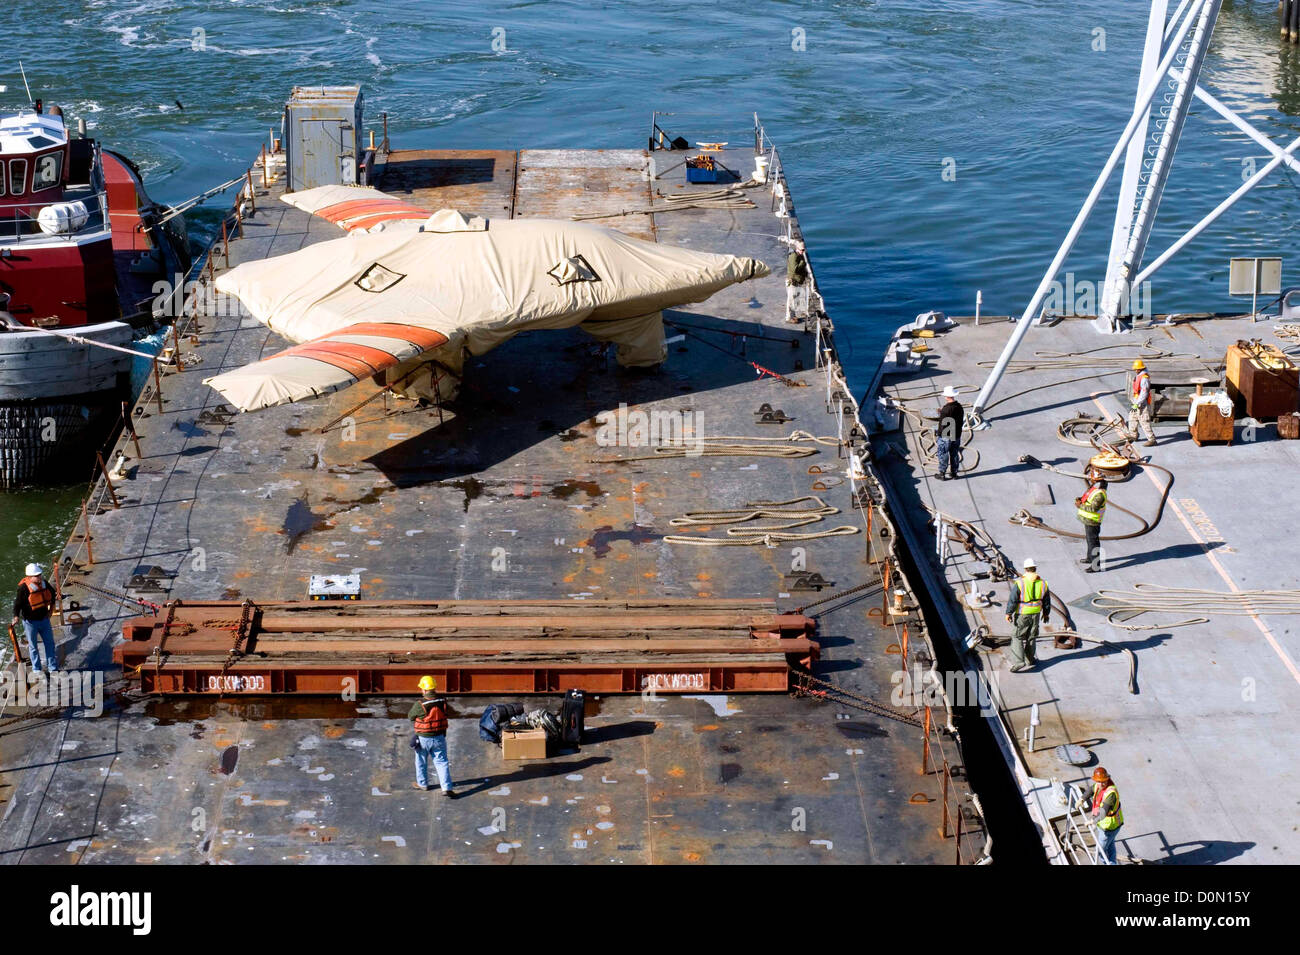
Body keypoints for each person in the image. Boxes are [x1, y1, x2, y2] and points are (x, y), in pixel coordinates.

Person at [409, 675, 455, 796]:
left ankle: (422, 784)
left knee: (421, 761)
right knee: (441, 762)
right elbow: (448, 712)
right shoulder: (442, 701)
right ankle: (446, 787)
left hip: (423, 738)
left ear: (424, 690)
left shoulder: (420, 704)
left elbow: (410, 716)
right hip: (439, 737)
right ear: (434, 688)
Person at [11, 562, 58, 674]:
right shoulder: (23, 589)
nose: (39, 577)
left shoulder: (44, 584)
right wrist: (16, 616)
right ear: (29, 577)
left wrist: (51, 610)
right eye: (36, 576)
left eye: (40, 574)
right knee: (33, 647)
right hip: (30, 623)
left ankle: (53, 668)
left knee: (50, 644)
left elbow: (52, 596)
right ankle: (37, 669)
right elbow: (17, 604)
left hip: (44, 620)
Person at [1005, 557, 1049, 672]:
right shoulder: (1043, 583)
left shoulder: (1020, 583)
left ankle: (1019, 662)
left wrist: (1008, 613)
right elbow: (1046, 601)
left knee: (1017, 636)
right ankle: (1030, 659)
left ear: (1025, 569)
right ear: (1035, 568)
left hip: (1023, 614)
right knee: (1031, 637)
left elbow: (1013, 600)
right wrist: (1046, 614)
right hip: (1036, 614)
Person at [1089, 766, 1124, 864]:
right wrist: (1082, 799)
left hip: (1109, 827)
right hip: (1105, 825)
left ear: (1107, 779)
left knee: (1100, 850)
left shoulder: (1110, 793)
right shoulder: (1098, 786)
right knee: (1110, 844)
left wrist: (1093, 820)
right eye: (1099, 781)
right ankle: (1113, 862)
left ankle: (1109, 863)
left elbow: (1103, 812)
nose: (1101, 783)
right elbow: (1090, 790)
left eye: (1103, 781)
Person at [1076, 476, 1108, 573]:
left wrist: (1080, 506)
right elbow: (1087, 499)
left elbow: (1093, 508)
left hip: (1093, 521)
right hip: (1088, 520)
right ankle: (1090, 557)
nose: (1092, 480)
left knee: (1093, 543)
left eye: (1095, 480)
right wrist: (1079, 499)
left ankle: (1096, 566)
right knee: (1089, 541)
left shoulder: (1100, 495)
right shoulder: (1093, 490)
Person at [935, 385, 964, 480]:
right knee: (954, 453)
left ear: (946, 396)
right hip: (956, 434)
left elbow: (943, 424)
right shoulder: (959, 407)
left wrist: (938, 434)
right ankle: (954, 473)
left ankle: (942, 473)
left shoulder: (945, 410)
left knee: (943, 453)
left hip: (946, 435)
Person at [1127, 359, 1156, 447]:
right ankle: (1133, 435)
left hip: (1141, 403)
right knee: (1132, 418)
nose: (1135, 370)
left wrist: (1138, 403)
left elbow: (1144, 393)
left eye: (1136, 368)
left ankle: (1152, 439)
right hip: (1136, 402)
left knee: (1144, 421)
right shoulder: (1138, 375)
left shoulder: (1144, 378)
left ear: (1140, 368)